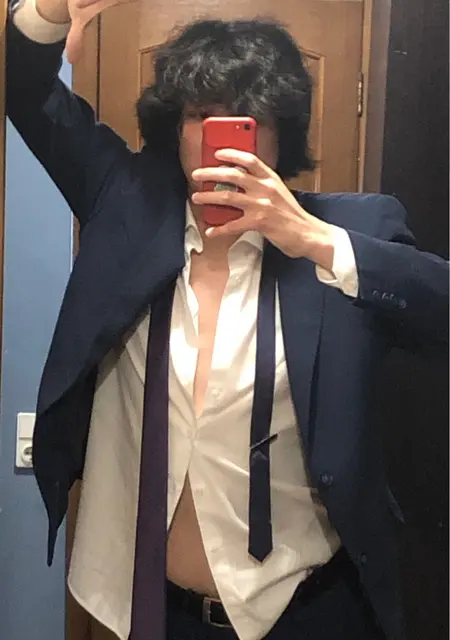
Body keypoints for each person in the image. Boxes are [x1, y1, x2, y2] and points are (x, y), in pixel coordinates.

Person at [6, 0, 449, 639]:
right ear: (174, 127)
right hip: (154, 610)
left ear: (279, 131)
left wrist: (314, 241)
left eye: (247, 119)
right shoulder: (127, 202)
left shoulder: (348, 228)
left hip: (314, 610)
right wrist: (49, 8)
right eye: (198, 115)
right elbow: (24, 89)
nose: (220, 138)